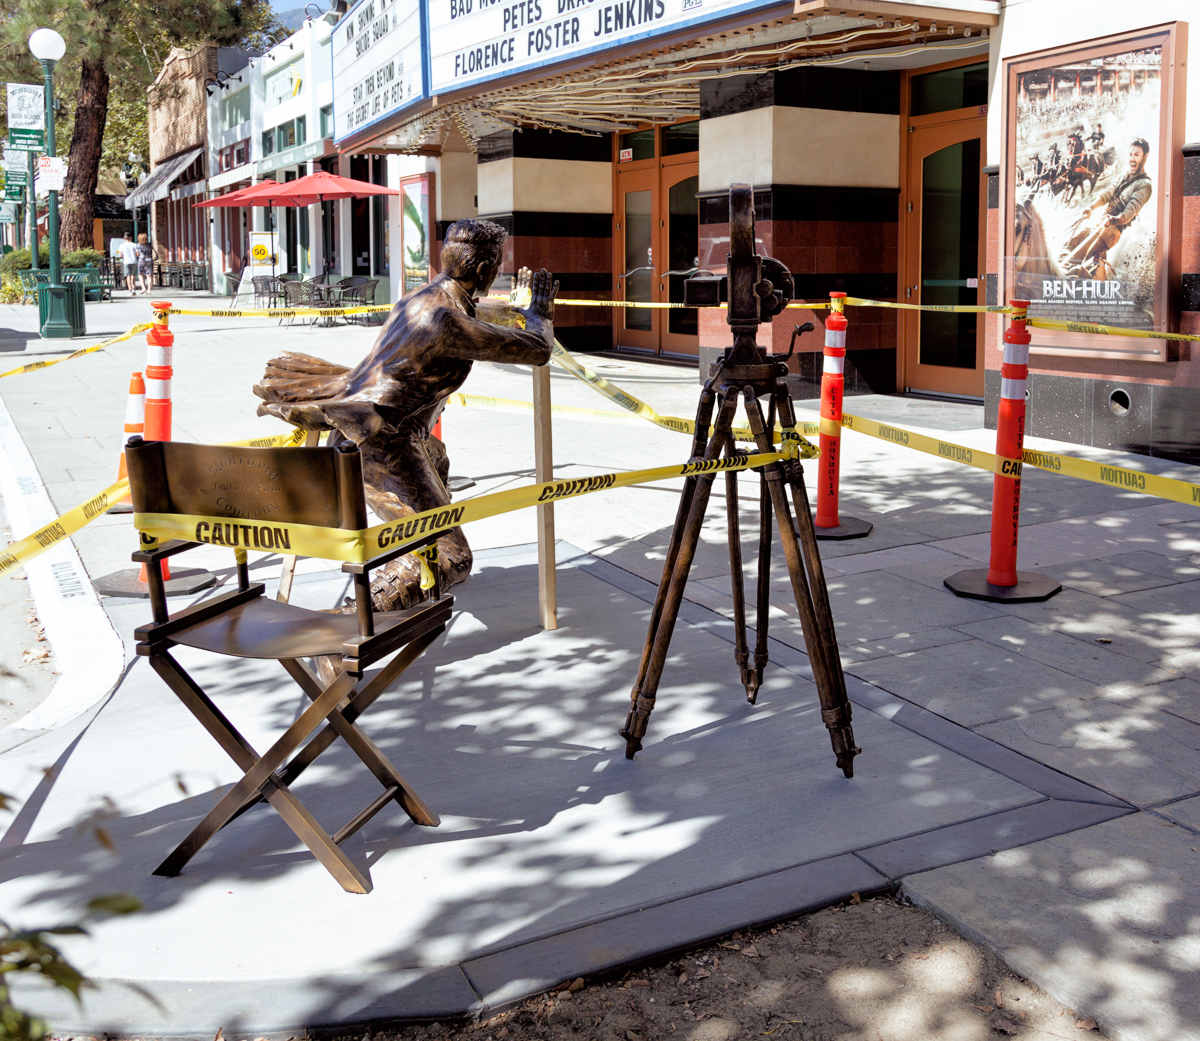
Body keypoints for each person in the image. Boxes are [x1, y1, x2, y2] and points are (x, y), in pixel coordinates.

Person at [254, 218, 558, 611]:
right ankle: (351, 622)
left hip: (390, 431)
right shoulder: (444, 320)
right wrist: (541, 315)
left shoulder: (426, 298)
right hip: (380, 440)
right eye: (496, 266)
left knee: (437, 458)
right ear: (483, 271)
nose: (496, 272)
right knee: (454, 557)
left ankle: (422, 554)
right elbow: (537, 349)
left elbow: (481, 315)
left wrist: (518, 311)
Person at [1064, 138, 1153, 276]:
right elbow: (1107, 194)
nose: (1132, 158)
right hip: (1101, 223)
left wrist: (1112, 220)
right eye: (1130, 154)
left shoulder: (1144, 185)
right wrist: (1091, 207)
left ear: (1145, 157)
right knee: (1071, 240)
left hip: (1111, 231)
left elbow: (1128, 214)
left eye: (1137, 154)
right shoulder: (1124, 175)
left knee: (1077, 254)